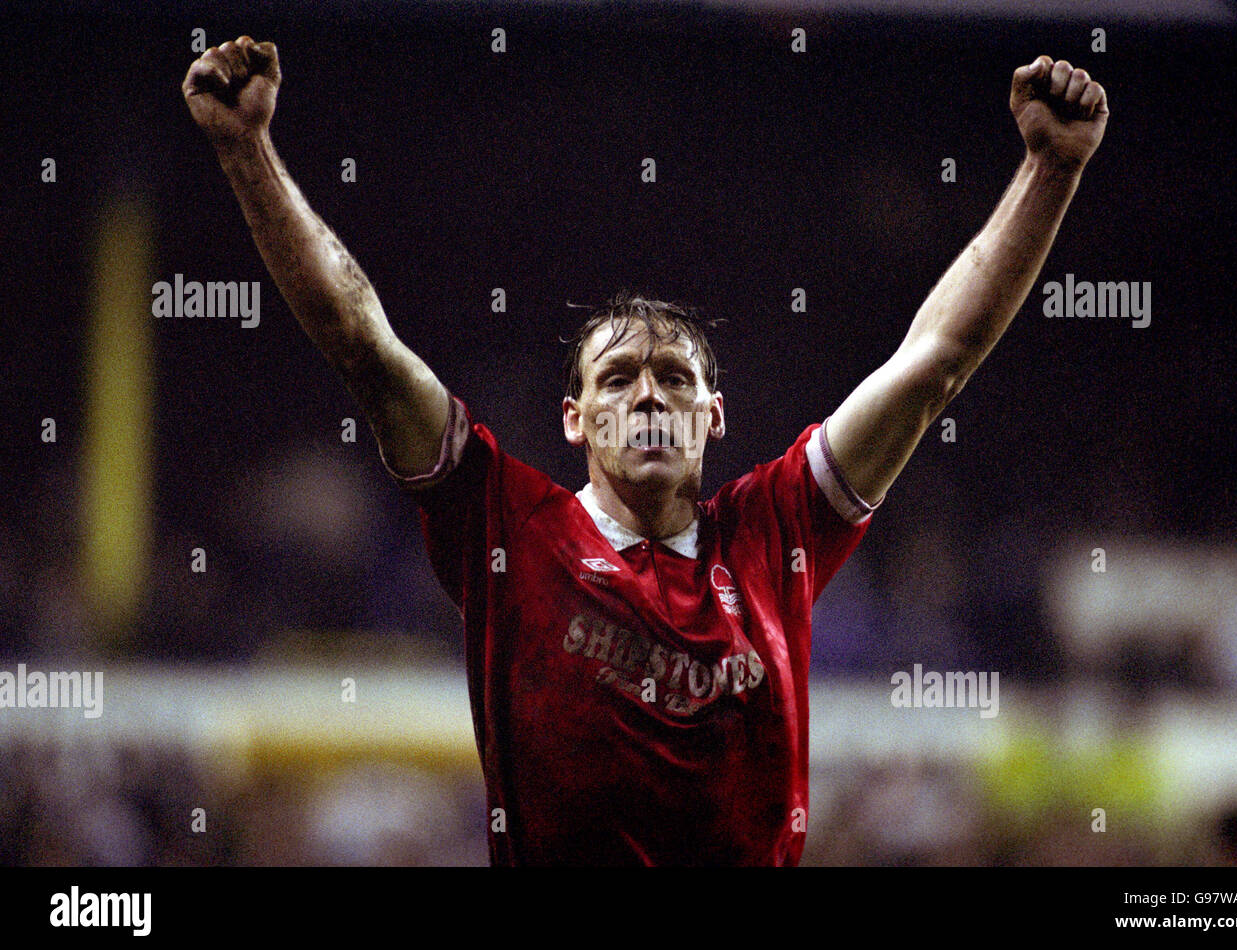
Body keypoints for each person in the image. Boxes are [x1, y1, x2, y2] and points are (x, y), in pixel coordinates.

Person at [183, 36, 1107, 865]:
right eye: (618, 377)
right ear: (576, 420)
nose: (649, 392)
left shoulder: (776, 528)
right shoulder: (508, 527)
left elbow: (933, 364)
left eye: (674, 375)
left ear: (713, 418)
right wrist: (247, 149)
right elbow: (363, 345)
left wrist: (1050, 170)